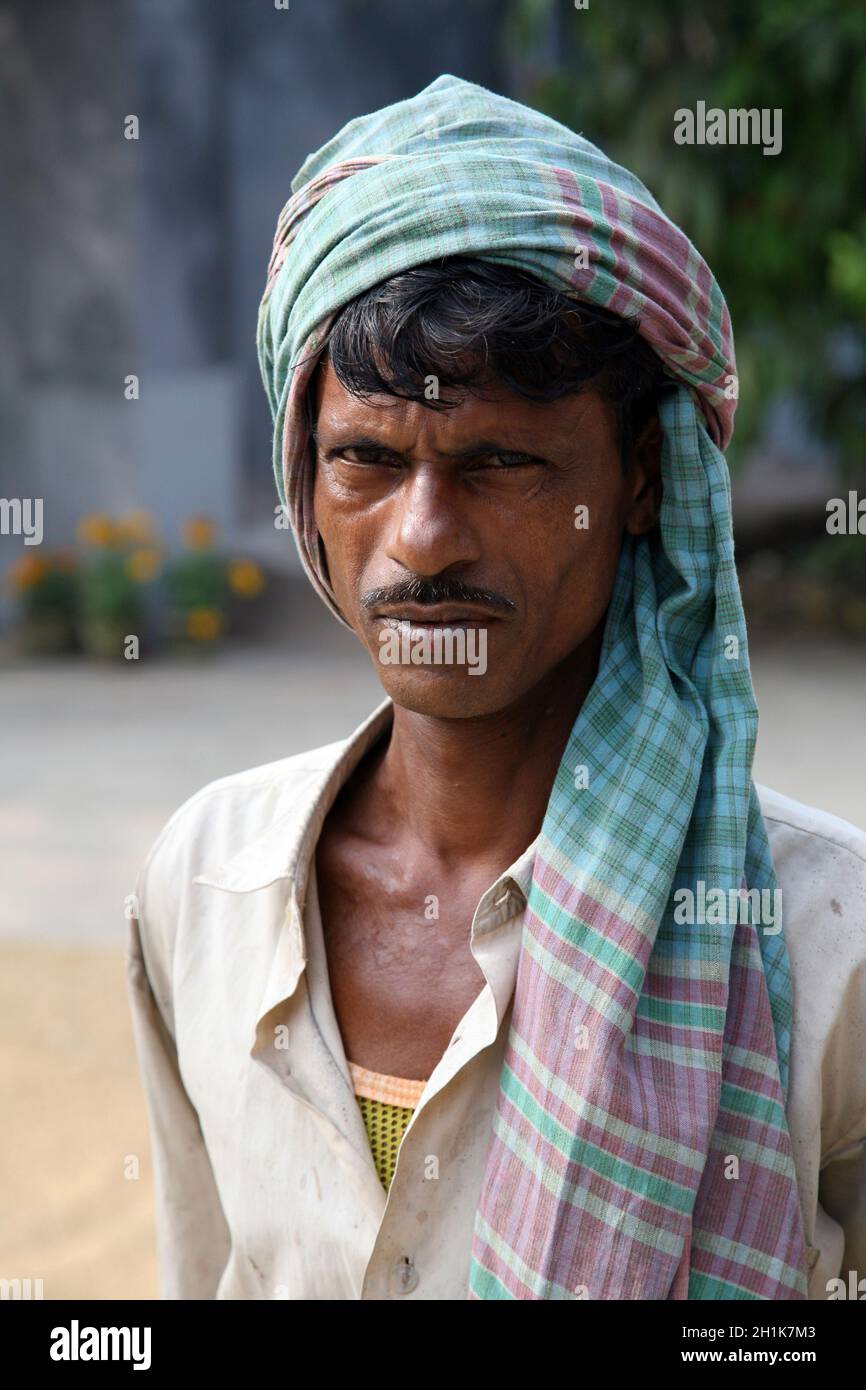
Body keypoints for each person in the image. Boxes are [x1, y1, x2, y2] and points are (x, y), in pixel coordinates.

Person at [126, 75, 866, 1301]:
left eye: (500, 462)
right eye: (365, 458)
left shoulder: (825, 943)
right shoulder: (204, 881)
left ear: (639, 482)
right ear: (302, 482)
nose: (422, 540)